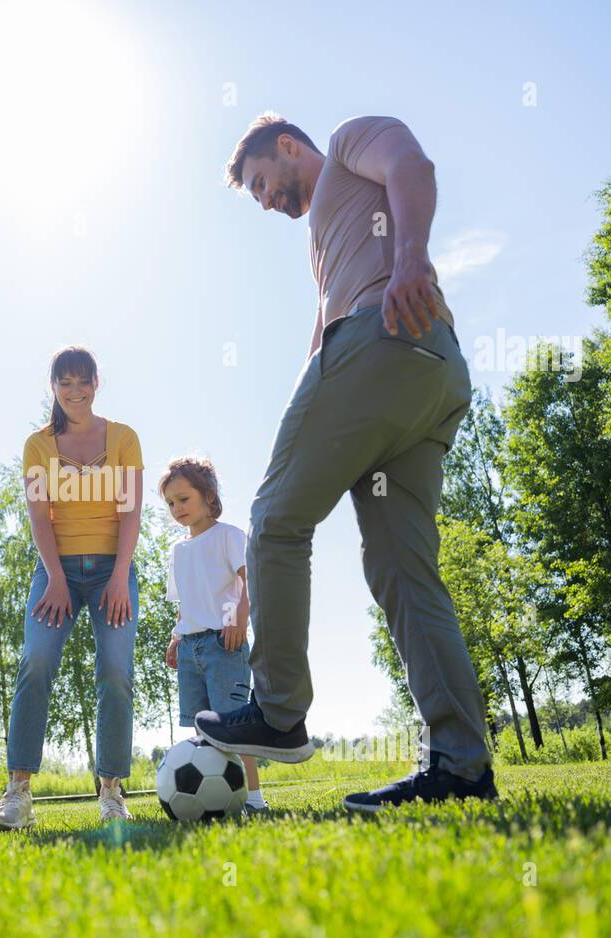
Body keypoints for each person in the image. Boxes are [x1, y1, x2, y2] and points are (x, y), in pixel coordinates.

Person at [196, 114, 497, 813]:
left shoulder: (347, 142)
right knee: (401, 569)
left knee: (275, 517)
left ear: (290, 147)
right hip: (426, 378)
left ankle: (276, 711)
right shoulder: (324, 240)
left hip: (385, 336)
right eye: (259, 197)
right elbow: (319, 337)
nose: (269, 201)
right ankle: (460, 765)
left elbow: (413, 168)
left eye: (266, 183)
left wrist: (414, 256)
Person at [0, 347, 143, 830]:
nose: (75, 392)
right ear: (53, 387)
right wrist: (55, 577)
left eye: (83, 381)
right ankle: (18, 795)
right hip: (56, 572)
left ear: (97, 382)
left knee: (115, 672)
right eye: (64, 383)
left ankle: (112, 792)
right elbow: (40, 515)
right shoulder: (38, 445)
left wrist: (120, 575)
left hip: (112, 571)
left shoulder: (123, 438)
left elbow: (130, 511)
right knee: (35, 662)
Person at [160, 456, 268, 813]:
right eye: (171, 503)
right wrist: (177, 636)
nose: (177, 508)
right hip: (190, 647)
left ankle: (254, 799)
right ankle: (212, 800)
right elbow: (185, 601)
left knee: (233, 725)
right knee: (201, 731)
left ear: (208, 496)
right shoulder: (178, 550)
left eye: (184, 499)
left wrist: (239, 620)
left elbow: (249, 579)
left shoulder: (229, 536)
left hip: (225, 643)